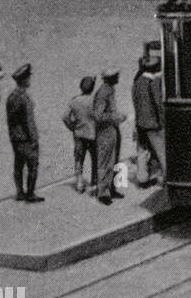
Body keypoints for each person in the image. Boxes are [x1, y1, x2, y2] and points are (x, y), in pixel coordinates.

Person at [6, 63, 43, 203]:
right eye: (28, 78)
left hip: (15, 137)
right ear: (24, 80)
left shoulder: (11, 97)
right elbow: (28, 121)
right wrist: (34, 138)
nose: (30, 80)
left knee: (19, 165)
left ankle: (20, 192)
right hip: (26, 138)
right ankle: (30, 194)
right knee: (32, 165)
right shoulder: (24, 98)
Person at [92, 68, 128, 205]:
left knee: (113, 161)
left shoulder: (110, 90)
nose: (118, 77)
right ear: (111, 77)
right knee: (105, 162)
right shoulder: (103, 93)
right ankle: (103, 193)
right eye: (116, 75)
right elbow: (98, 115)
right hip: (105, 132)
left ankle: (111, 189)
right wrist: (116, 117)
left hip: (112, 130)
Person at [132, 55, 165, 187]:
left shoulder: (137, 81)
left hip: (140, 123)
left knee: (141, 151)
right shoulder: (153, 83)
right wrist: (162, 122)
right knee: (162, 151)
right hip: (153, 124)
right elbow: (158, 104)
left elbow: (135, 102)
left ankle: (142, 179)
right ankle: (166, 178)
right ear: (155, 68)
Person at [63, 76, 98, 194]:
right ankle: (94, 184)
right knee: (95, 158)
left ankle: (79, 182)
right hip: (93, 134)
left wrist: (72, 127)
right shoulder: (95, 100)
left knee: (78, 159)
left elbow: (65, 117)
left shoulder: (74, 101)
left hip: (79, 134)